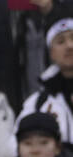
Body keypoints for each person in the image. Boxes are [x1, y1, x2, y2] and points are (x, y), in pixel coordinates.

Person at [14, 17, 73, 146]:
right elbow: (15, 148)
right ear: (51, 53)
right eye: (61, 41)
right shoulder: (38, 103)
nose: (69, 46)